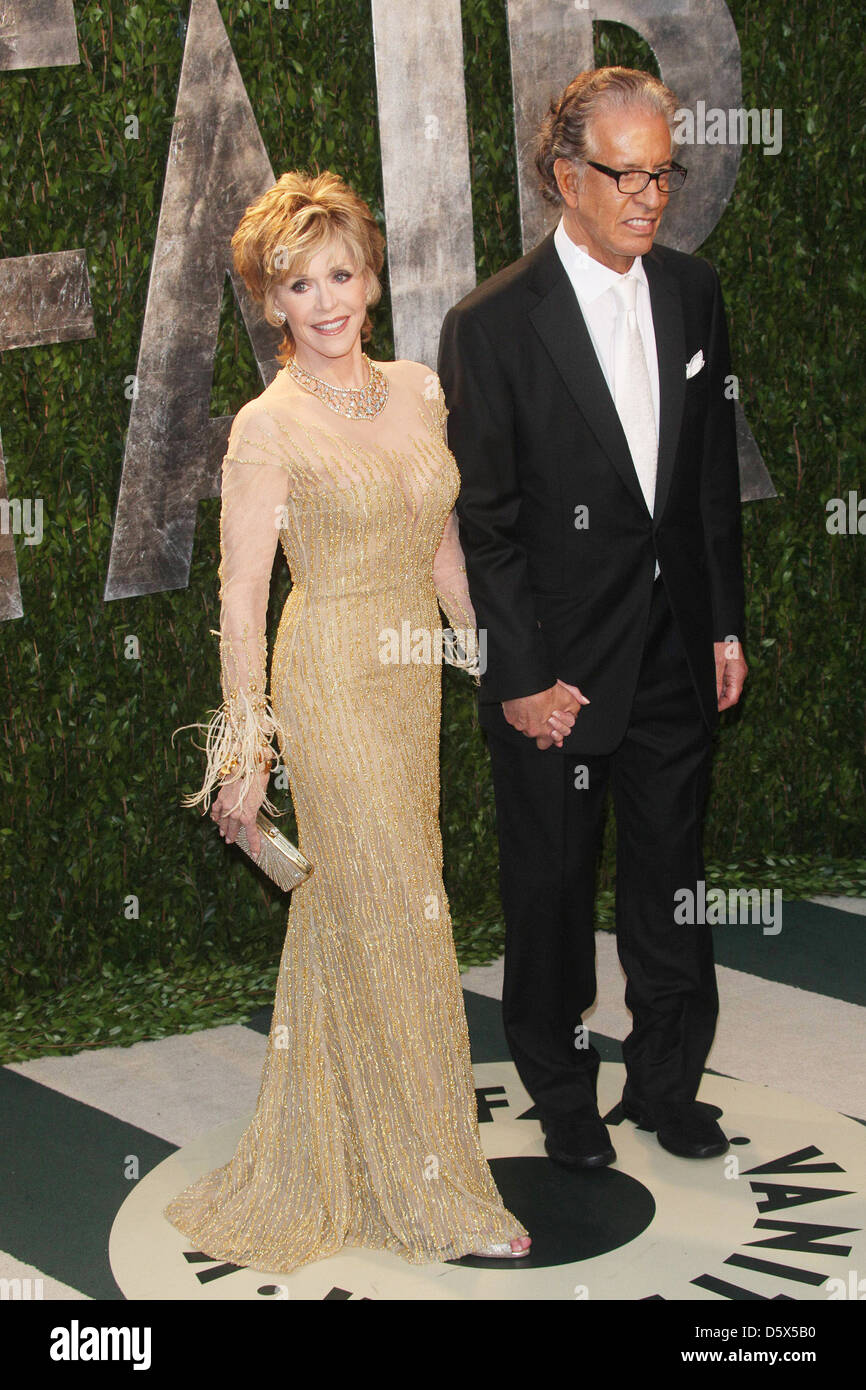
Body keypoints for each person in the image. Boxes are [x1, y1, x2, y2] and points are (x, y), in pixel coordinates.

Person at [164, 171, 531, 1267]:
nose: (323, 301)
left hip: (407, 675)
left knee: (356, 914)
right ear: (270, 302)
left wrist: (491, 661)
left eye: (340, 274)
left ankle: (344, 1147)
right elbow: (238, 597)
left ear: (370, 277)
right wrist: (247, 746)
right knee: (404, 914)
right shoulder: (266, 424)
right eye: (296, 283)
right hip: (326, 674)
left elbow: (437, 541)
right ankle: (441, 1197)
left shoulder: (418, 389)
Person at [437, 67, 747, 1171]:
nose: (649, 195)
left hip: (671, 655)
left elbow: (706, 479)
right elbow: (487, 525)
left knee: (670, 884)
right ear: (563, 176)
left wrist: (722, 626)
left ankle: (667, 1086)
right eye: (625, 173)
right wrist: (517, 677)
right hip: (556, 675)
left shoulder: (693, 293)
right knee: (551, 899)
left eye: (662, 171)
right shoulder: (490, 324)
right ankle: (563, 1096)